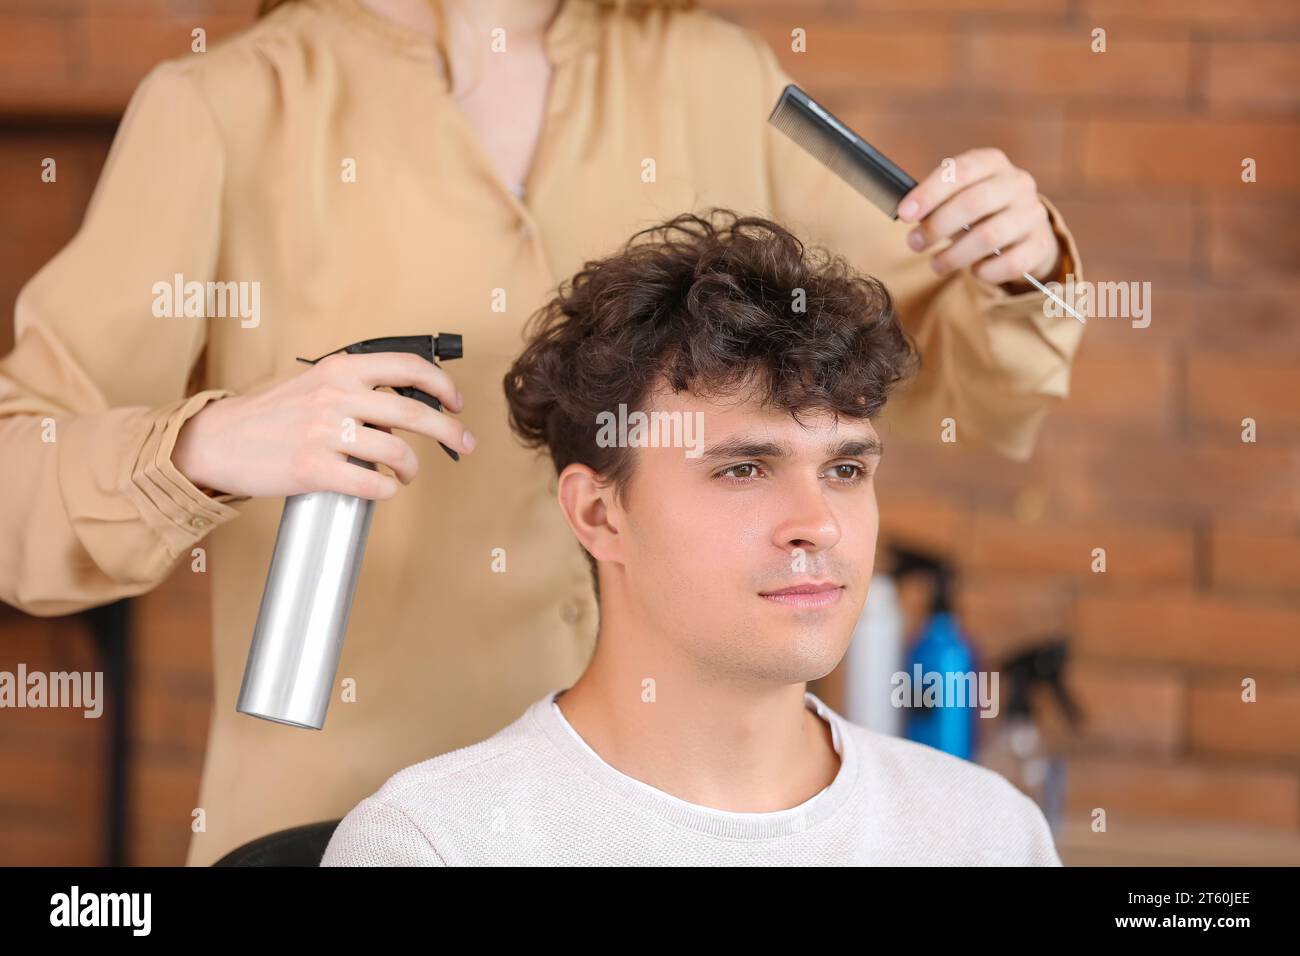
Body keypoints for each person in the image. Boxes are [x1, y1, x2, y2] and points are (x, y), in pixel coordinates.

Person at [0, 0, 1084, 866]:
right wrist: (208, 442)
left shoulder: (715, 78)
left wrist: (1015, 260)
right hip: (328, 821)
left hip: (675, 816)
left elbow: (948, 382)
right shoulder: (224, 108)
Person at [319, 211, 1063, 866]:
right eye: (744, 469)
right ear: (599, 514)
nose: (820, 523)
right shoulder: (433, 846)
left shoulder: (986, 833)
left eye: (843, 467)